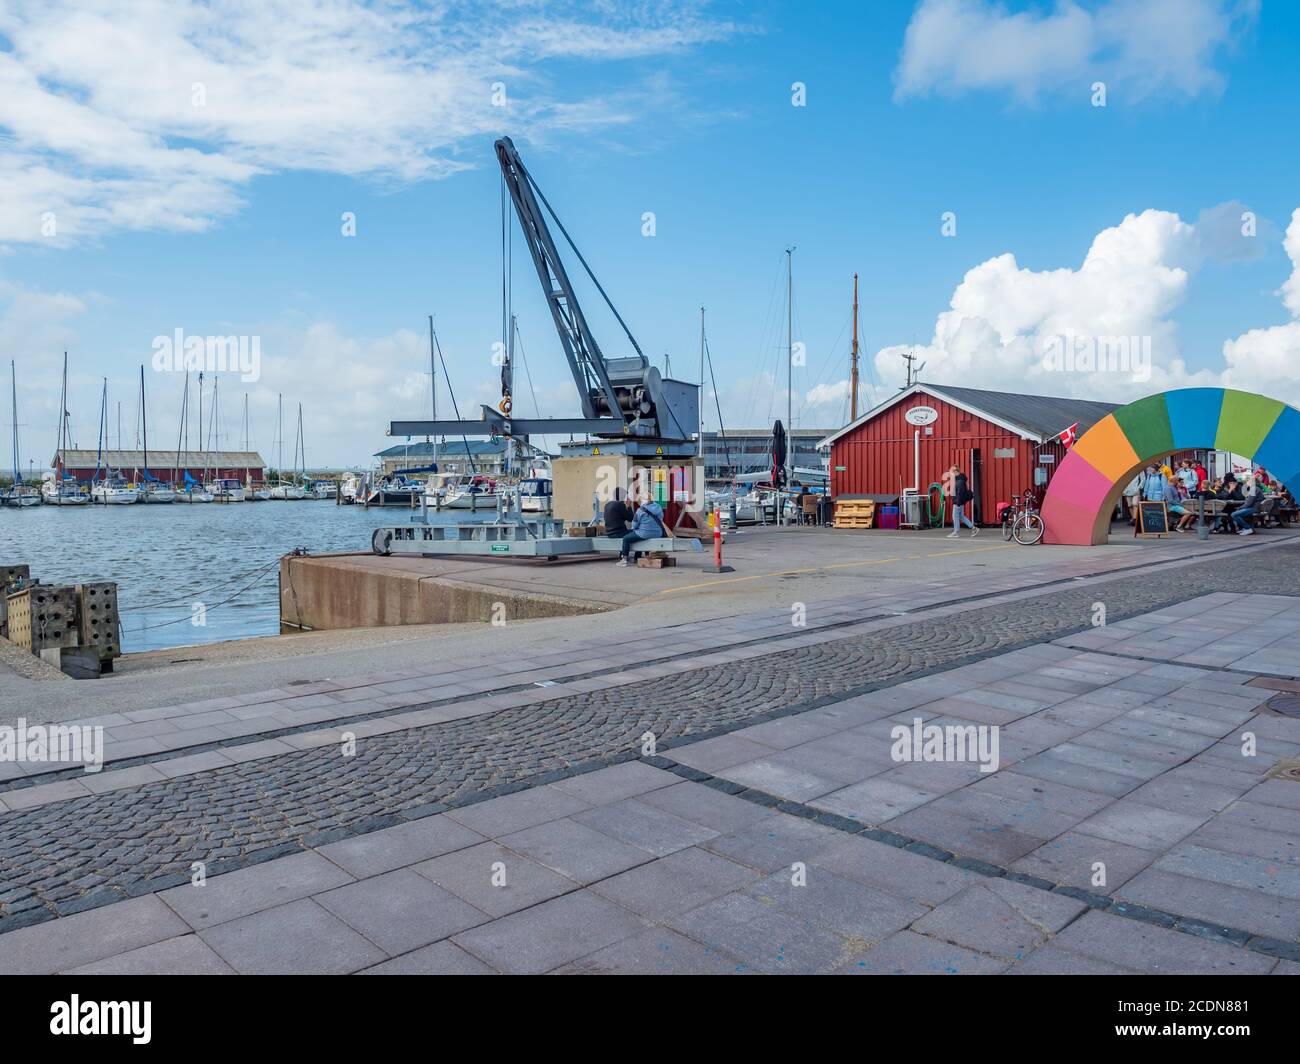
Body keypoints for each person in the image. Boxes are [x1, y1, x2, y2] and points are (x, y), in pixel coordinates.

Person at [616, 498, 667, 566]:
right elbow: (661, 519)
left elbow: (634, 524)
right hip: (658, 533)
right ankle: (637, 557)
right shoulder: (659, 508)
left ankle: (624, 560)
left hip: (644, 533)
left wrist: (636, 528)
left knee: (626, 538)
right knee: (638, 535)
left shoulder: (640, 510)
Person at [947, 465, 978, 538]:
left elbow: (960, 493)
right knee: (961, 516)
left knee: (955, 516)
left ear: (955, 472)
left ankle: (956, 532)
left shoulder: (960, 481)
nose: (950, 473)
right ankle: (974, 528)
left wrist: (957, 503)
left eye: (951, 472)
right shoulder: (958, 479)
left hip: (958, 502)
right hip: (960, 501)